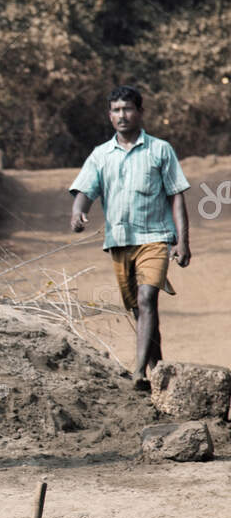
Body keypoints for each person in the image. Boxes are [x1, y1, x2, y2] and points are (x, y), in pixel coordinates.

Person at [69, 85, 192, 388]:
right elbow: (86, 190)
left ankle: (138, 372)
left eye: (127, 109)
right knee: (141, 310)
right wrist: (78, 211)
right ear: (110, 115)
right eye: (115, 110)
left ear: (140, 112)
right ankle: (158, 368)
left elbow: (176, 196)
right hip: (120, 242)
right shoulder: (101, 155)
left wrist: (182, 240)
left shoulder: (160, 150)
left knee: (147, 298)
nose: (121, 115)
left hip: (156, 238)